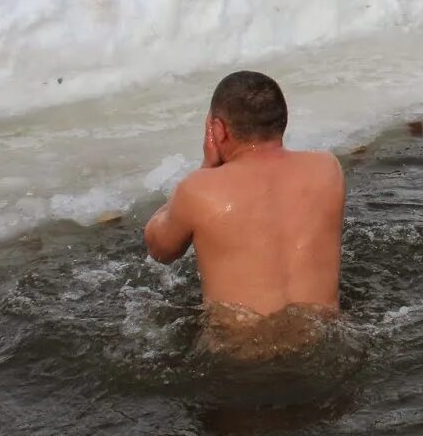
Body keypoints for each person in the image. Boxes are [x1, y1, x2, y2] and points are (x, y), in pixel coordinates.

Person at [144, 71, 345, 352]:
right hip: (322, 345)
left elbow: (159, 248)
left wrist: (206, 167)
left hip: (241, 360)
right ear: (281, 122)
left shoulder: (200, 191)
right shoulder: (327, 169)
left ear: (218, 130)